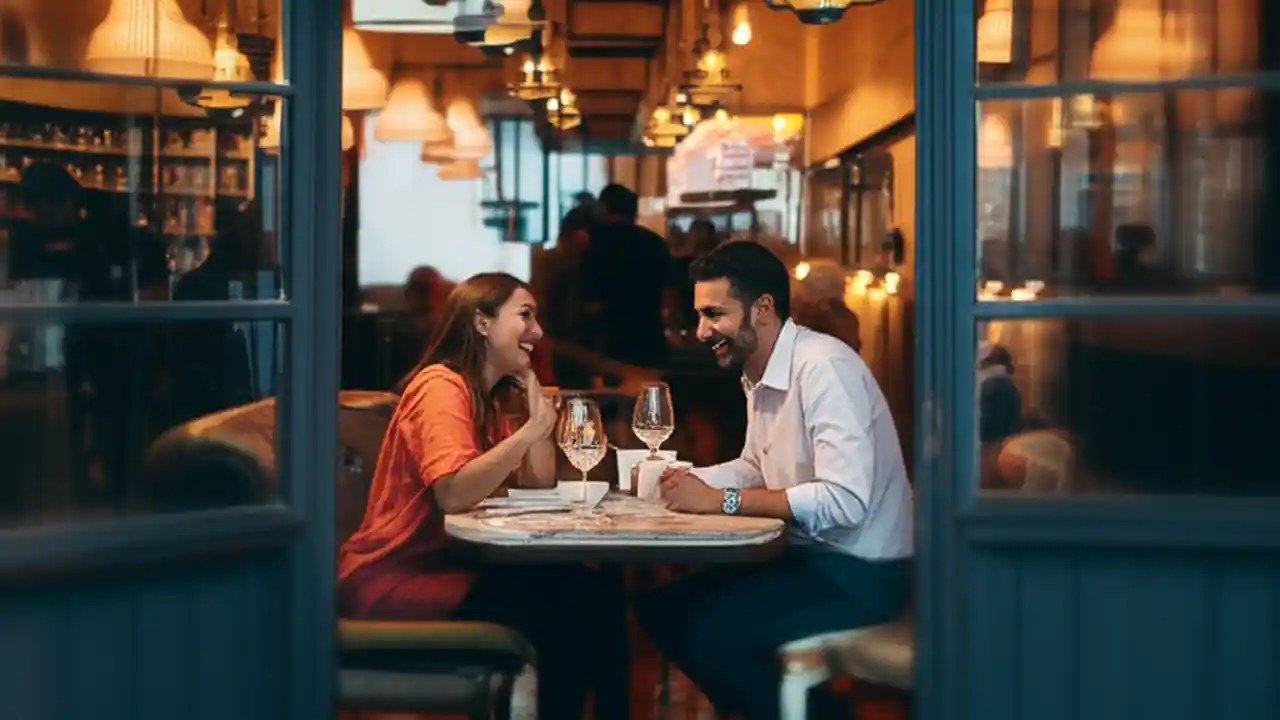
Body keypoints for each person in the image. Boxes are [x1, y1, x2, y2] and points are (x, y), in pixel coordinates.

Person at [636, 241, 914, 720]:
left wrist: (721, 501)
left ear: (762, 309)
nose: (702, 331)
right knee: (660, 609)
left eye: (714, 314)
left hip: (864, 572)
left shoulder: (825, 367)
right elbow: (756, 467)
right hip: (810, 559)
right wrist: (680, 480)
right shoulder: (759, 371)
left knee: (711, 634)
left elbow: (844, 501)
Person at [337, 273, 628, 718]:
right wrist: (530, 431)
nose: (539, 332)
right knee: (573, 607)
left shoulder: (486, 396)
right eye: (525, 315)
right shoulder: (440, 387)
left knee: (594, 593)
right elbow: (453, 492)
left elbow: (536, 482)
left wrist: (537, 416)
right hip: (396, 578)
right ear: (482, 322)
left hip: (451, 565)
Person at [579, 183, 671, 367]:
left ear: (603, 208)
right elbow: (668, 293)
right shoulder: (655, 243)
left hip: (608, 340)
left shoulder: (594, 244)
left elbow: (590, 301)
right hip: (649, 335)